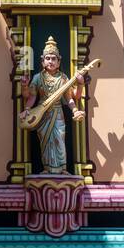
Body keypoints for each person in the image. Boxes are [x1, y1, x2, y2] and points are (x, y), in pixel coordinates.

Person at [21, 37, 84, 175]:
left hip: (58, 114)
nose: (50, 61)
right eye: (48, 58)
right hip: (42, 114)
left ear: (59, 61)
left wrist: (80, 85)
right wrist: (26, 107)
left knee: (59, 140)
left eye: (53, 58)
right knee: (45, 142)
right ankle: (47, 168)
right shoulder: (38, 77)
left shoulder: (63, 78)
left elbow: (71, 98)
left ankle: (62, 169)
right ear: (43, 61)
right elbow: (31, 97)